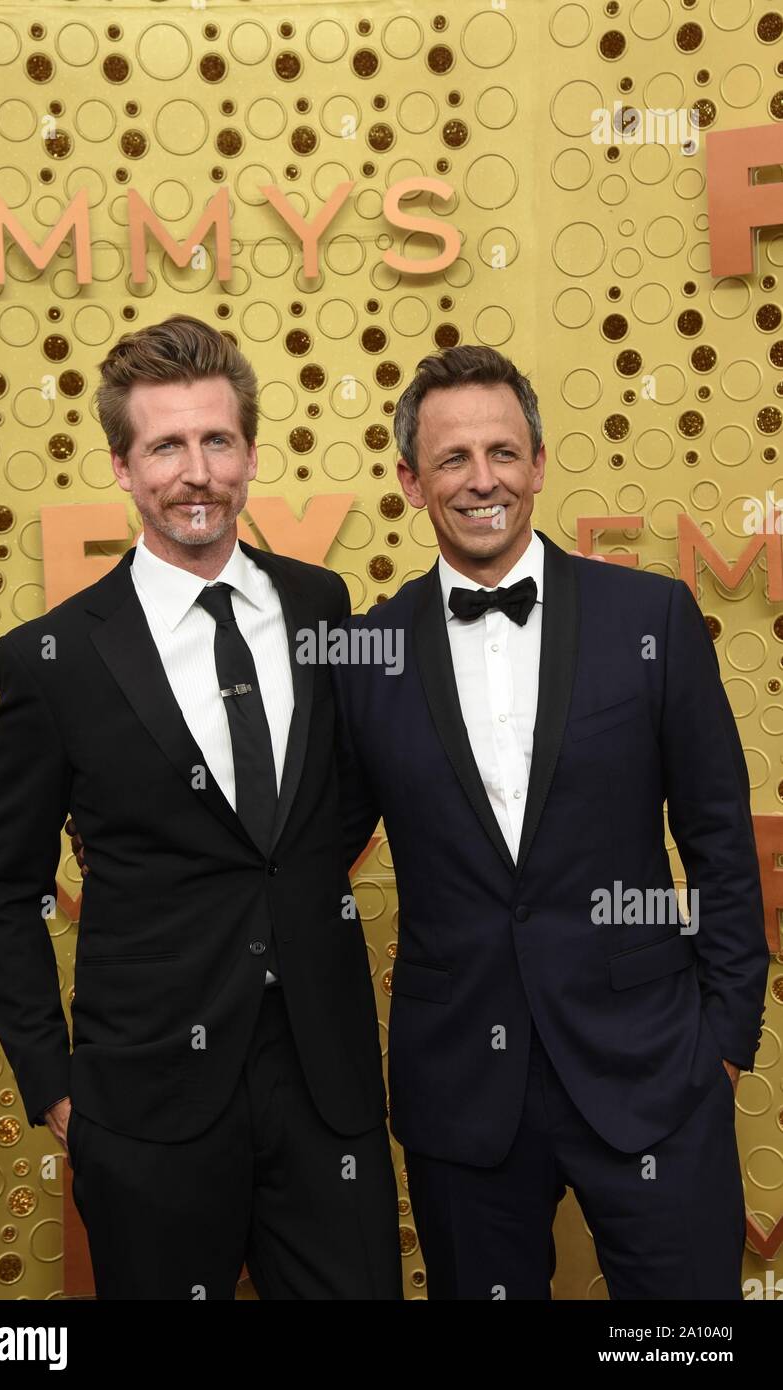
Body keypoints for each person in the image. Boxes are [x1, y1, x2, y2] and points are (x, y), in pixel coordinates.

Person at [0, 314, 402, 1301]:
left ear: (250, 452)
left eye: (217, 441)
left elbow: (332, 813)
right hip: (146, 1106)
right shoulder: (56, 658)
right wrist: (58, 1092)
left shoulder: (321, 606)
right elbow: (5, 891)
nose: (195, 470)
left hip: (326, 1090)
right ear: (122, 465)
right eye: (165, 445)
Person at [329, 344, 769, 1299]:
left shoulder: (648, 615)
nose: (480, 480)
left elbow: (719, 847)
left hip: (653, 1069)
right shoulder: (366, 653)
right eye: (451, 459)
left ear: (536, 461)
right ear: (409, 478)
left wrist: (725, 1038)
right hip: (461, 1090)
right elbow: (303, 850)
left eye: (502, 452)